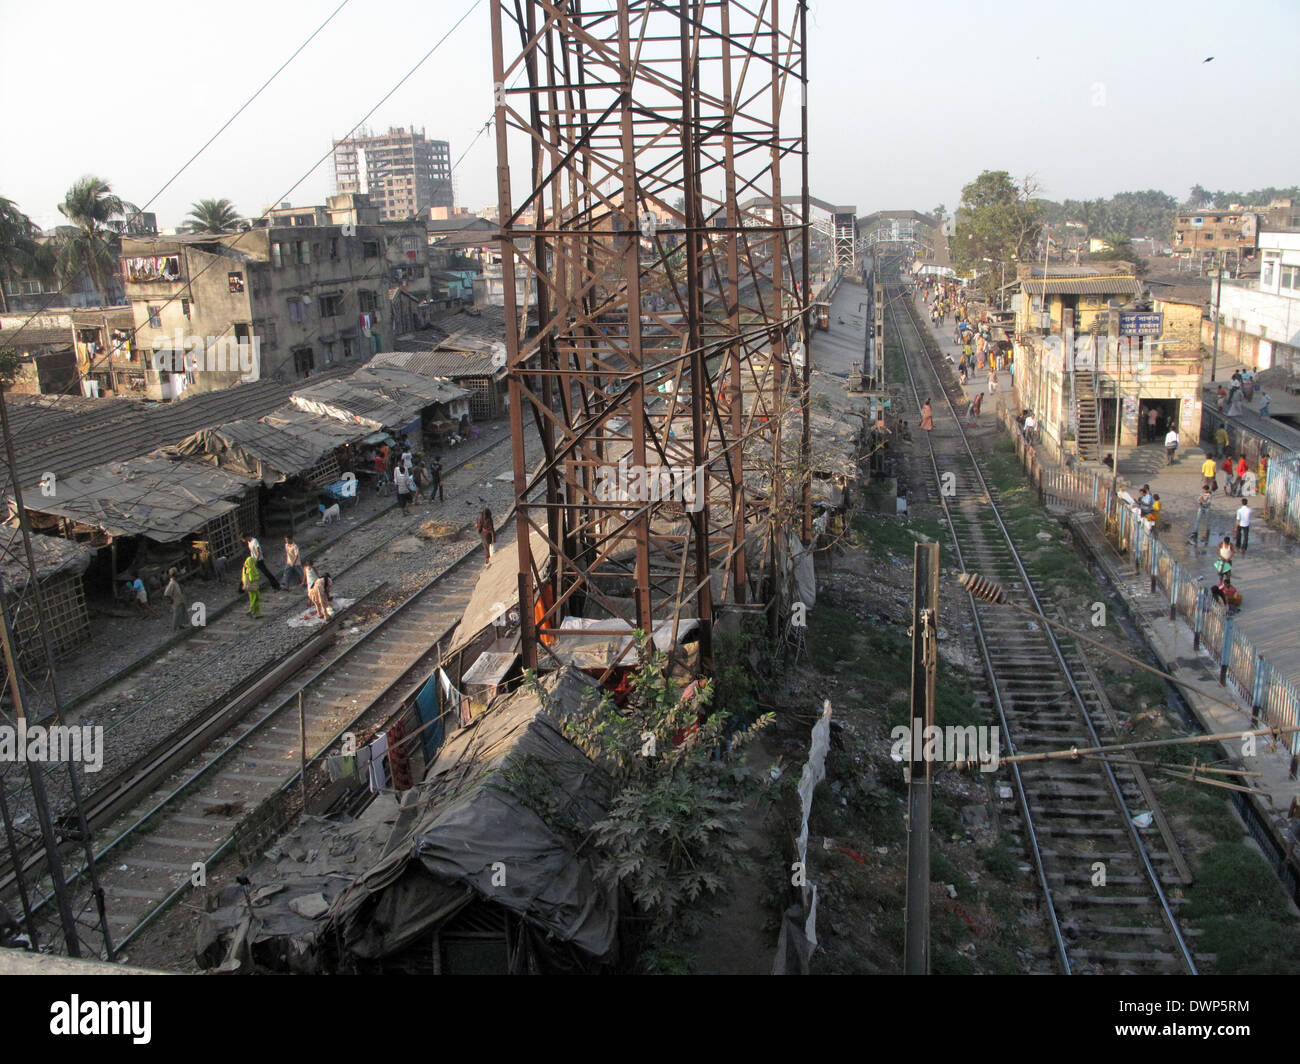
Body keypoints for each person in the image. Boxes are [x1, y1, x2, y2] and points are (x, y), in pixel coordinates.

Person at [241, 552, 262, 618]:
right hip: (254, 587)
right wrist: (257, 577)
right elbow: (252, 578)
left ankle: (257, 614)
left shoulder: (245, 568)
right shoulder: (251, 569)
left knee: (252, 599)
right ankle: (251, 610)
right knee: (255, 599)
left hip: (248, 587)